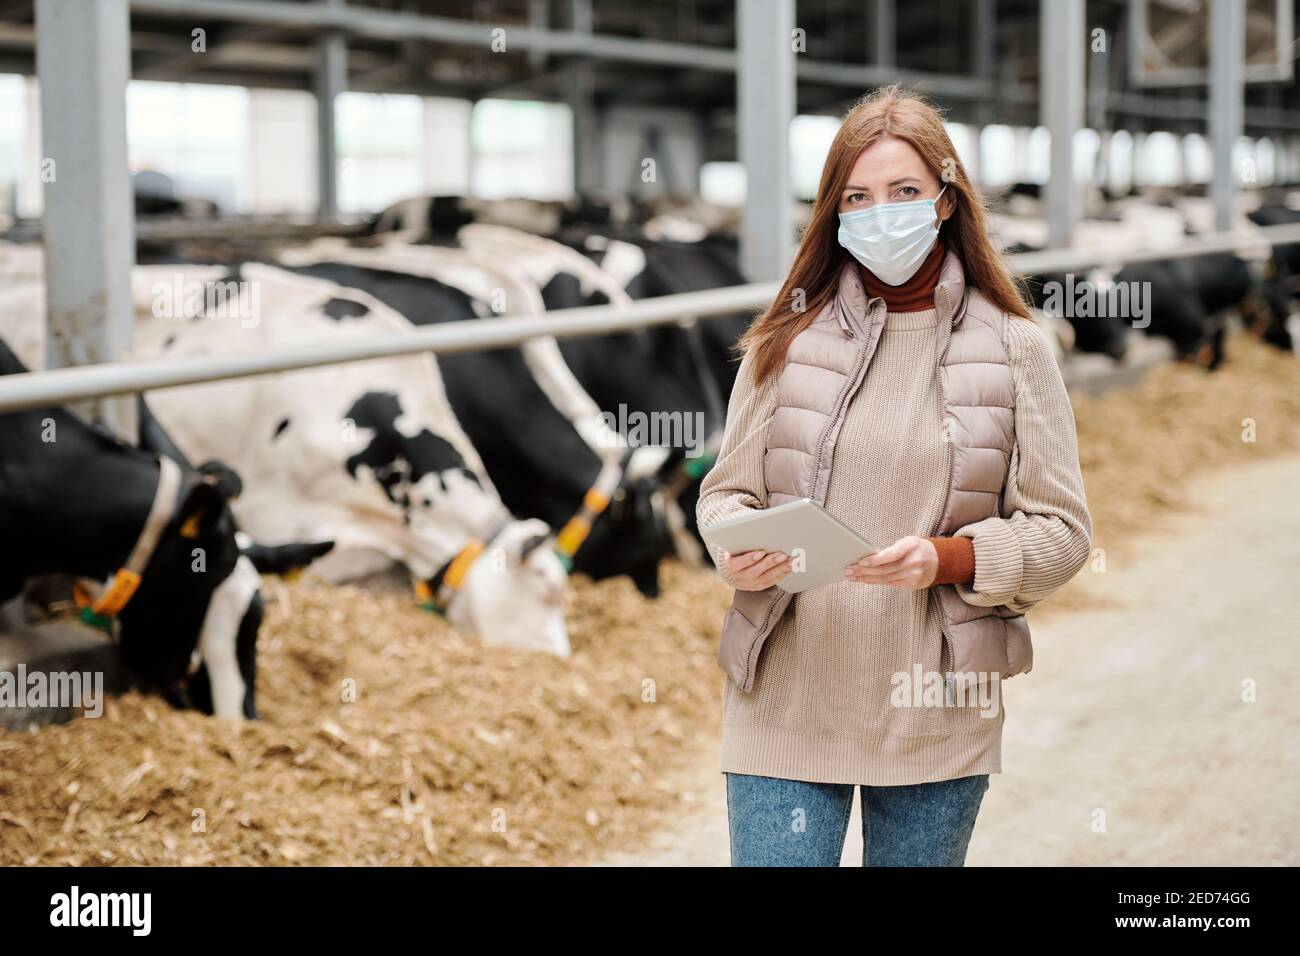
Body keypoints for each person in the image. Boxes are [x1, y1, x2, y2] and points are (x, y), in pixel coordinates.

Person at [696, 86, 1093, 867]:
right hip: (787, 700)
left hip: (937, 709)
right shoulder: (785, 340)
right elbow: (725, 494)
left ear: (946, 200)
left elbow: (1065, 534)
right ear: (834, 213)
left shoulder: (1017, 347)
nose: (882, 214)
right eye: (859, 196)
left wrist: (950, 559)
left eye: (905, 192)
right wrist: (731, 545)